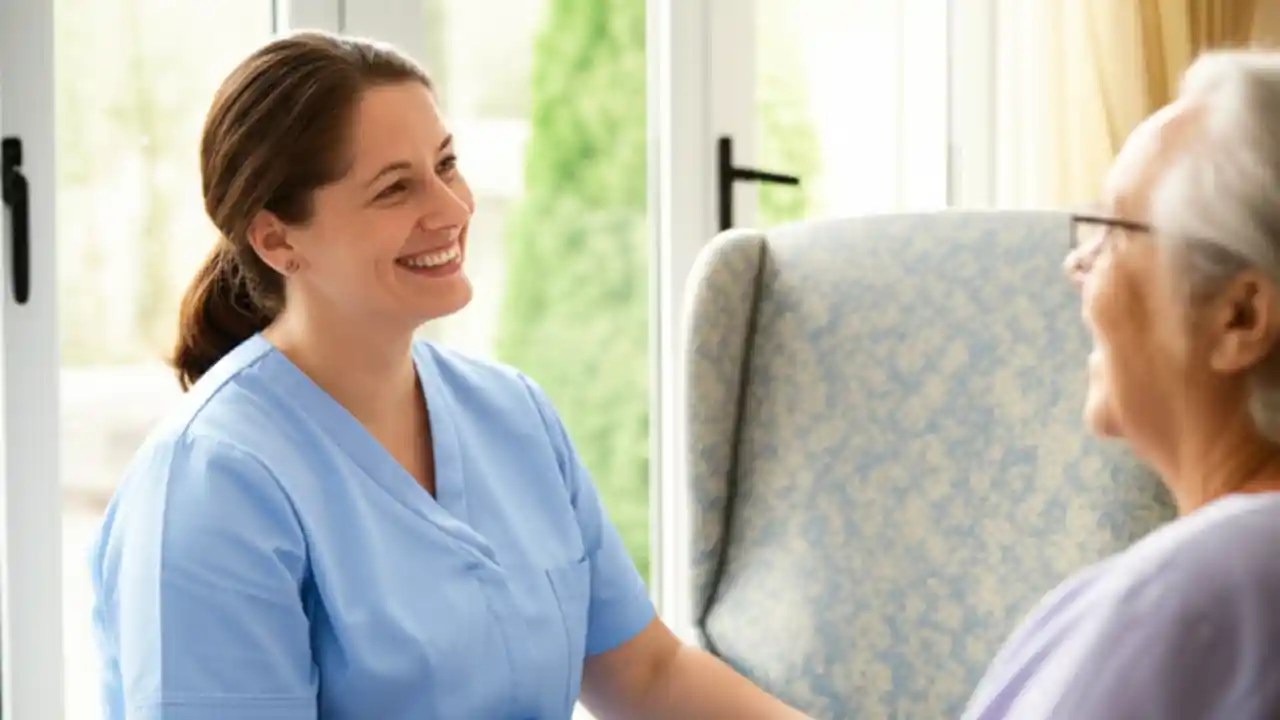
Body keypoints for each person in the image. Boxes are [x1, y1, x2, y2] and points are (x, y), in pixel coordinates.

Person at [88, 31, 807, 720]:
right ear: (278, 239)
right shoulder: (212, 484)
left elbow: (647, 673)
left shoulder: (512, 415)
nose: (453, 208)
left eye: (447, 165)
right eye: (396, 189)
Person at [962, 50, 1280, 719]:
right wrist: (674, 670)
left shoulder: (1190, 595)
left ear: (1240, 316)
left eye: (1110, 231)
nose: (1076, 265)